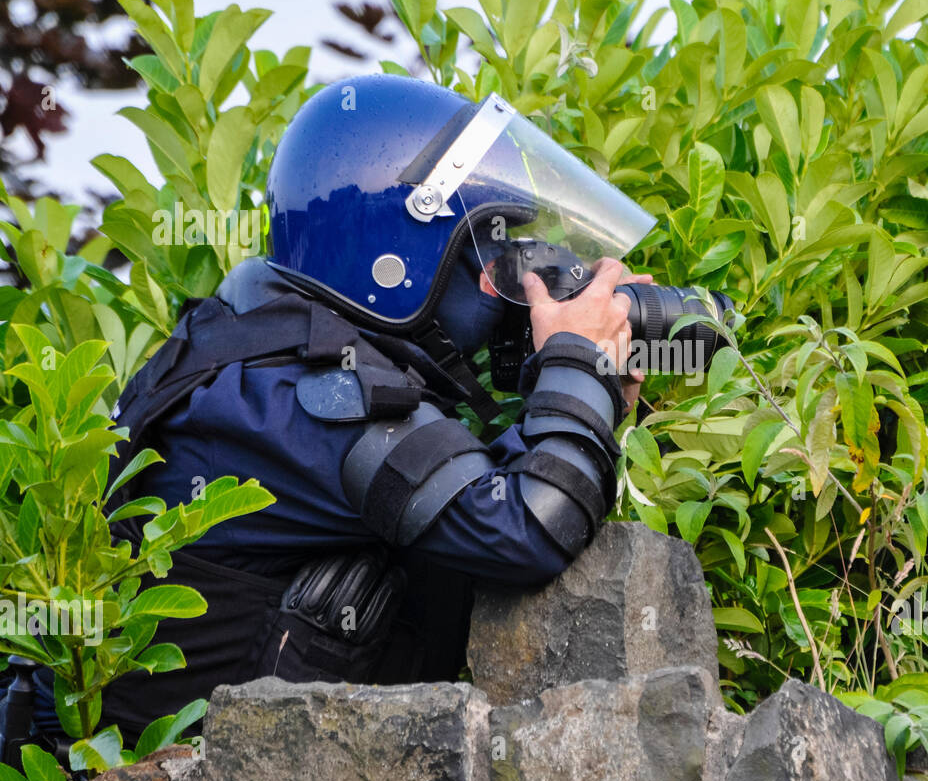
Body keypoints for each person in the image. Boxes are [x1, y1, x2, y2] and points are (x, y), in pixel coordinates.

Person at [24, 74, 658, 746]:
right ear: (396, 260)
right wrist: (577, 362)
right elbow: (526, 524)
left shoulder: (261, 350)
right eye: (493, 253)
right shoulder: (289, 399)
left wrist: (592, 384)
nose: (512, 282)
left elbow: (466, 495)